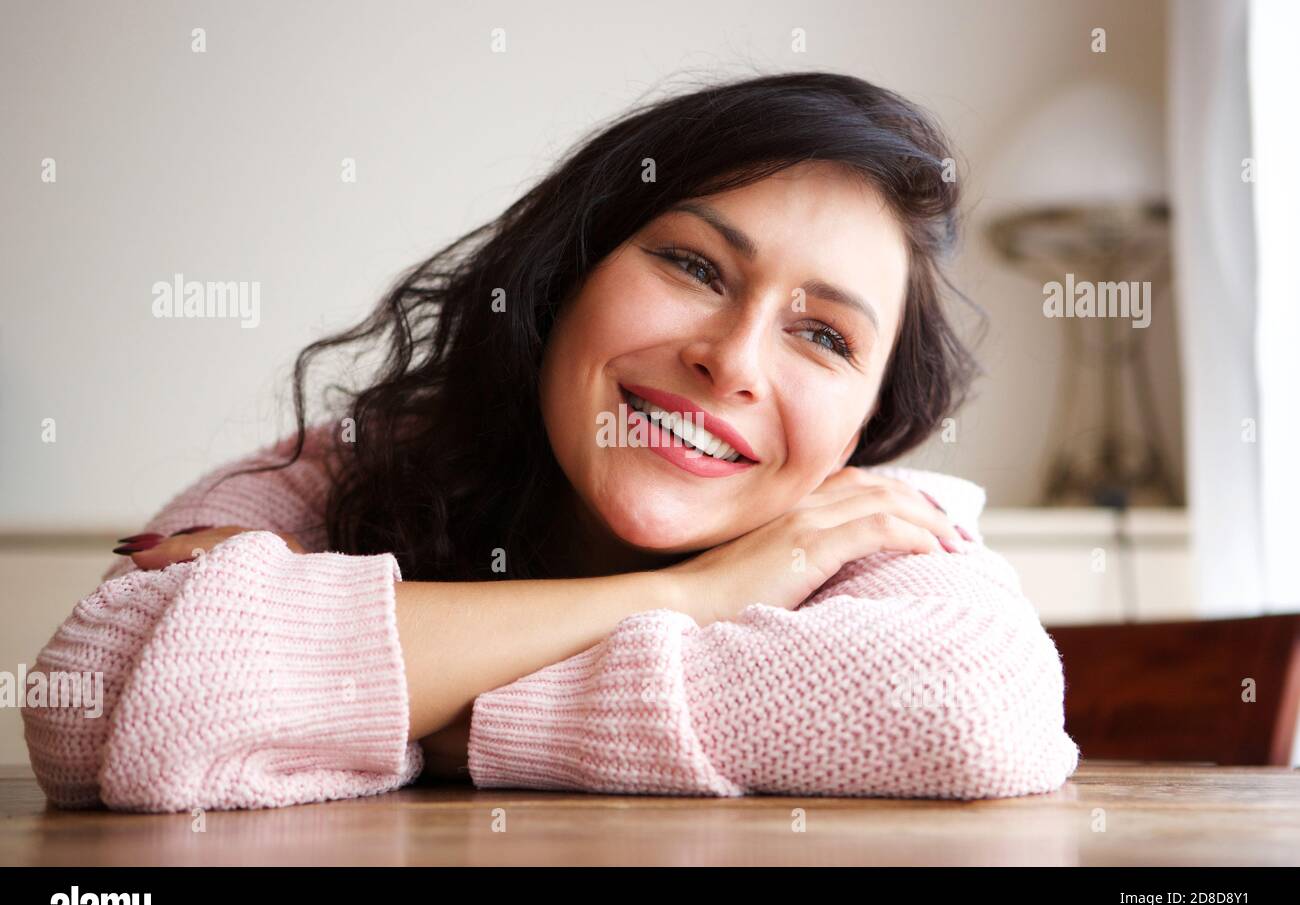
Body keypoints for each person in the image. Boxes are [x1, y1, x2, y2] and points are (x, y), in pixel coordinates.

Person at [22, 71, 1080, 812]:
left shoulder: (865, 529)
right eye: (696, 267)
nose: (735, 359)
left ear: (865, 426)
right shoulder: (357, 458)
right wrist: (690, 594)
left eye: (822, 335)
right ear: (564, 273)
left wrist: (366, 690)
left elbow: (964, 709)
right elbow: (88, 698)